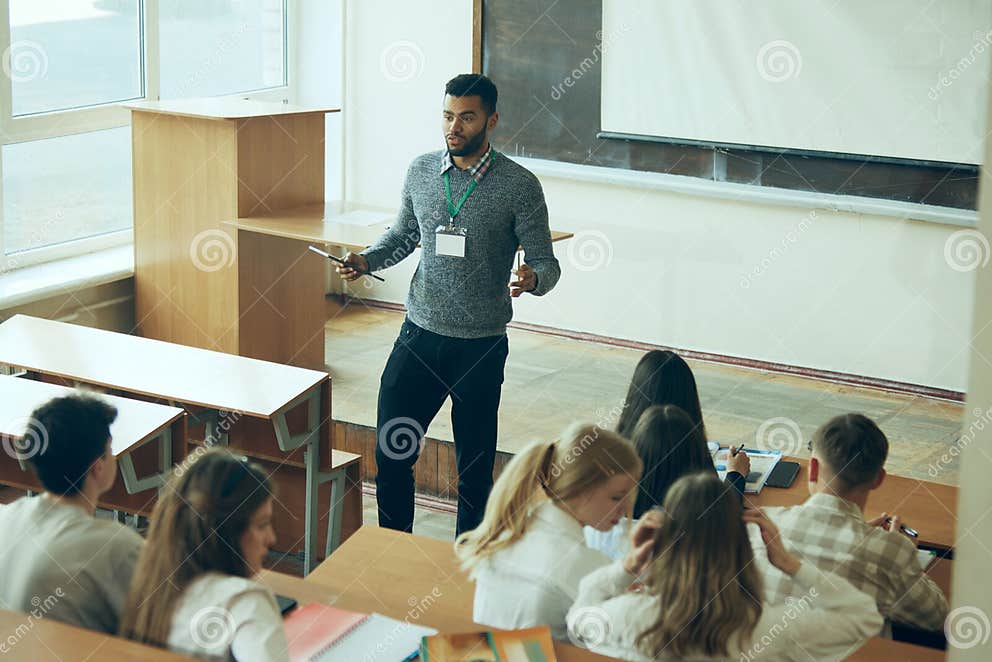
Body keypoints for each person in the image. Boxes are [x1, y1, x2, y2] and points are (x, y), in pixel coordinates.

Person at [336, 73, 561, 536]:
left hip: (479, 347)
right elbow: (403, 235)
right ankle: (394, 549)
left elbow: (546, 262)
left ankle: (468, 559)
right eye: (447, 116)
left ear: (491, 121)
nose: (453, 127)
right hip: (418, 336)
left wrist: (534, 278)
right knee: (391, 453)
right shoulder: (421, 171)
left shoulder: (519, 185)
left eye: (466, 117)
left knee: (474, 471)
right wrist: (366, 259)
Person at [568, 472, 883, 661]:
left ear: (664, 546)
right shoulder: (773, 629)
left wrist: (628, 566)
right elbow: (864, 617)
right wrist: (788, 563)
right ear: (742, 547)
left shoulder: (628, 618)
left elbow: (578, 620)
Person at [749, 413, 949, 631]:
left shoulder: (759, 525)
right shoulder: (891, 552)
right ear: (878, 479)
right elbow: (938, 620)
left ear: (813, 468)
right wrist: (906, 559)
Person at [455, 423, 641, 640]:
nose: (626, 507)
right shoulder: (585, 564)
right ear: (581, 489)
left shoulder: (508, 533)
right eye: (617, 497)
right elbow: (616, 638)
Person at [119, 449, 289, 662]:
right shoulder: (246, 602)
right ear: (224, 532)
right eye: (262, 525)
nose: (271, 538)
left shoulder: (148, 586)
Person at [0, 394, 143, 634]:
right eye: (110, 450)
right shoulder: (117, 546)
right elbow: (156, 624)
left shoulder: (8, 516)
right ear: (98, 468)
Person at [585, 404, 748, 559]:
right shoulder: (699, 532)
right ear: (699, 459)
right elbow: (727, 521)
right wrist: (735, 476)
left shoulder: (600, 526)